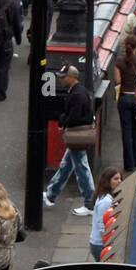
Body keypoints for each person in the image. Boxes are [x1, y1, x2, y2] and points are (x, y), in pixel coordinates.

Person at [43, 65, 95, 215]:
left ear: (72, 77)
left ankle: (89, 203)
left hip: (77, 135)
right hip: (78, 135)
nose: (60, 79)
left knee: (82, 170)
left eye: (63, 77)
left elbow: (74, 117)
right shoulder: (79, 91)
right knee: (66, 166)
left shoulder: (77, 94)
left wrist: (62, 119)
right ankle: (51, 194)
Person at [113, 34, 136, 171]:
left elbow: (117, 81)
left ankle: (128, 164)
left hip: (124, 99)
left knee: (126, 132)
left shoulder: (119, 62)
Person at [89, 167, 122, 261]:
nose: (120, 181)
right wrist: (110, 245)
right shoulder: (106, 202)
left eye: (120, 178)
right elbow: (102, 227)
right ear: (107, 181)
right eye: (116, 179)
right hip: (101, 245)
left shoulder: (111, 196)